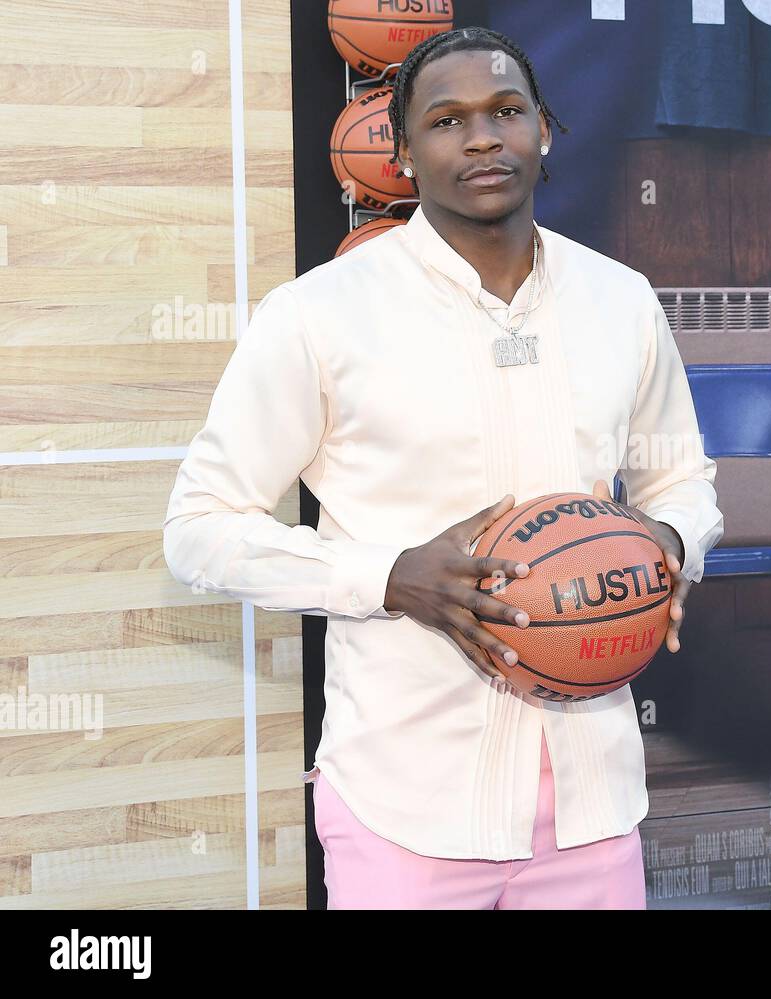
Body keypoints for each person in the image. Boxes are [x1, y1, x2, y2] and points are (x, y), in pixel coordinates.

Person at [162, 26, 723, 909]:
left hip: (594, 805)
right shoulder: (320, 315)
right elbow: (198, 528)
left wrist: (665, 541)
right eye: (447, 119)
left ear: (547, 128)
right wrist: (391, 576)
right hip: (406, 809)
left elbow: (683, 482)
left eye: (507, 111)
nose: (483, 138)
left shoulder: (622, 300)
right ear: (403, 154)